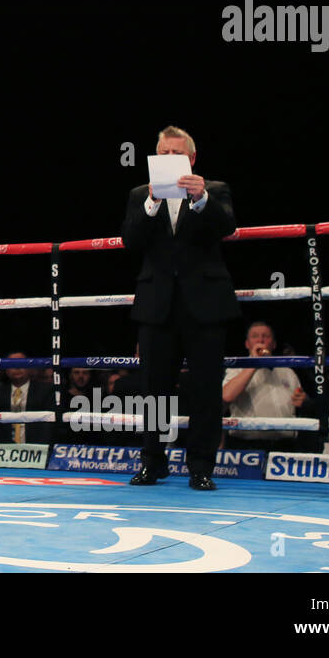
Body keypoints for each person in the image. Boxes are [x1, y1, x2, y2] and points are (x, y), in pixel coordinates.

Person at [122, 125, 240, 491]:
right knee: (155, 390)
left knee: (206, 389)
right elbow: (130, 240)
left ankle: (201, 467)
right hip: (157, 306)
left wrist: (201, 198)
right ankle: (153, 463)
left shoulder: (215, 191)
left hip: (204, 305)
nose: (170, 160)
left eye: (177, 154)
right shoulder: (141, 194)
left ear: (191, 158)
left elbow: (227, 228)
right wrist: (153, 202)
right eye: (164, 154)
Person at [221, 321, 306, 453]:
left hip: (284, 447)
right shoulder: (237, 368)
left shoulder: (288, 371)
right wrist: (254, 363)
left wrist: (303, 401)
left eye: (266, 336)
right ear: (247, 344)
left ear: (273, 344)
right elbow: (226, 396)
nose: (260, 340)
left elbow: (300, 402)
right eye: (255, 336)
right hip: (246, 446)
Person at [0, 352, 50, 445]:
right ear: (6, 370)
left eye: (21, 363)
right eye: (12, 364)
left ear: (29, 368)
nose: (17, 368)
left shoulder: (44, 391)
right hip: (6, 452)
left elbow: (50, 426)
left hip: (36, 450)